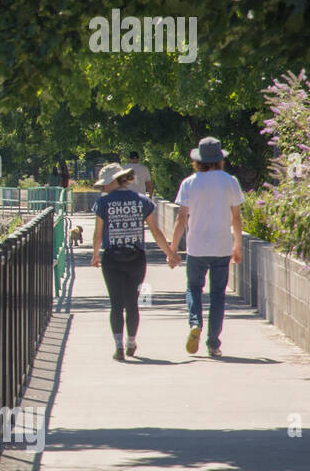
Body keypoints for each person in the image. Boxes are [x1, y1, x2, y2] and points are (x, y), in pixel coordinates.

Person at [91, 163, 179, 361]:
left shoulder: (103, 203)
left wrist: (95, 254)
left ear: (115, 181)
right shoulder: (141, 201)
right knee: (132, 303)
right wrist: (170, 254)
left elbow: (98, 233)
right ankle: (131, 342)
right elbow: (156, 231)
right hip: (136, 258)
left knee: (115, 303)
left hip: (111, 257)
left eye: (105, 184)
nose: (103, 188)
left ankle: (118, 346)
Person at [169, 137, 244, 357]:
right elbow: (236, 217)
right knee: (218, 295)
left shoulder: (189, 182)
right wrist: (237, 246)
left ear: (198, 160)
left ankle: (195, 324)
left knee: (193, 288)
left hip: (196, 247)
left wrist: (173, 248)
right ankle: (213, 343)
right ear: (220, 159)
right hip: (222, 246)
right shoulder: (230, 181)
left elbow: (181, 218)